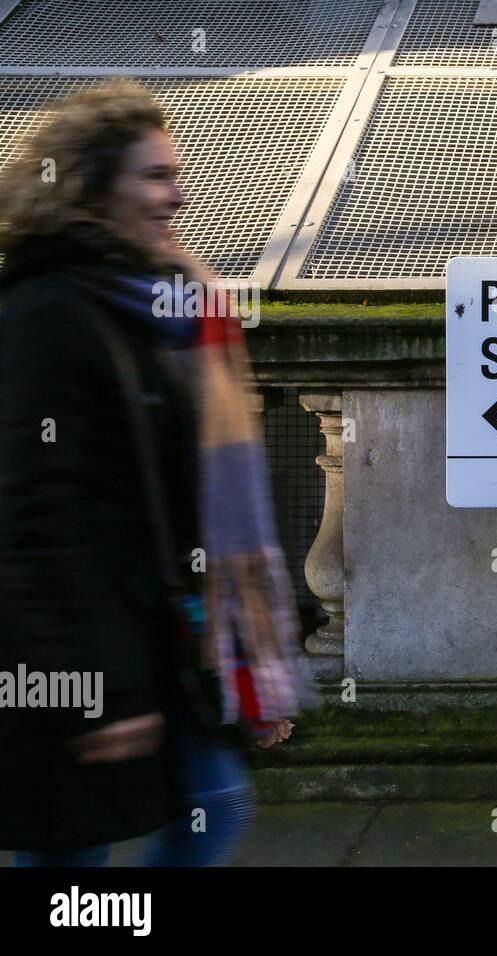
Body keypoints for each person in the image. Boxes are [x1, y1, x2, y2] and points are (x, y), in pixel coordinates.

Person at [0, 81, 299, 866]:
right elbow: (35, 518)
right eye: (156, 176)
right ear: (94, 187)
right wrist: (98, 691)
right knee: (76, 850)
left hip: (160, 631)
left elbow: (187, 488)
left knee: (207, 808)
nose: (179, 193)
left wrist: (236, 641)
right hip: (81, 656)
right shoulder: (50, 309)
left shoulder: (156, 301)